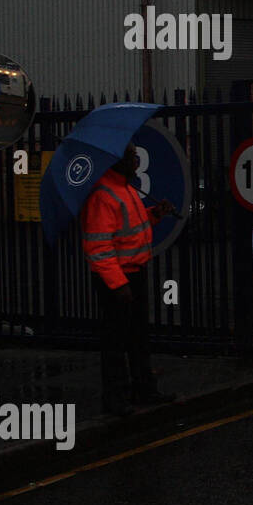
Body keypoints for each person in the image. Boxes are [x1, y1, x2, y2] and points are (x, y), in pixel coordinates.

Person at [82, 144, 176, 416]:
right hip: (118, 279)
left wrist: (155, 214)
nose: (136, 161)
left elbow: (132, 228)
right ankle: (115, 398)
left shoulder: (126, 189)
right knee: (116, 341)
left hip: (133, 273)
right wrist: (118, 283)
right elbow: (99, 247)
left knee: (138, 337)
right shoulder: (104, 195)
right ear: (118, 160)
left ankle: (143, 389)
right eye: (132, 157)